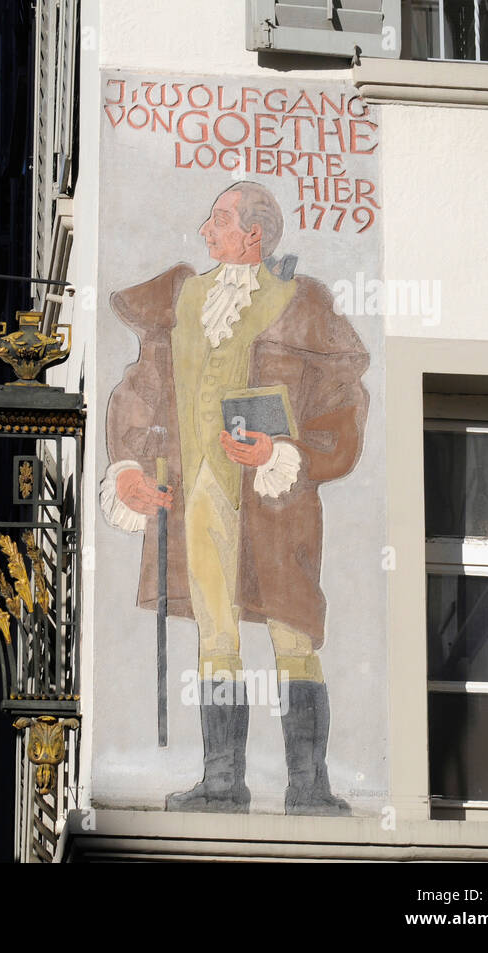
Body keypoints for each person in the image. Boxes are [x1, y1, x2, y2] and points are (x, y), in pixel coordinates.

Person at [100, 181, 369, 815]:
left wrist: (285, 452)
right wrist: (130, 467)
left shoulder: (306, 306)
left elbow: (343, 407)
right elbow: (139, 390)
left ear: (254, 233)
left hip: (277, 499)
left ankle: (309, 785)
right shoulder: (181, 299)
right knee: (215, 636)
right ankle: (223, 781)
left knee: (293, 631)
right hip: (198, 491)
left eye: (218, 219)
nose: (204, 230)